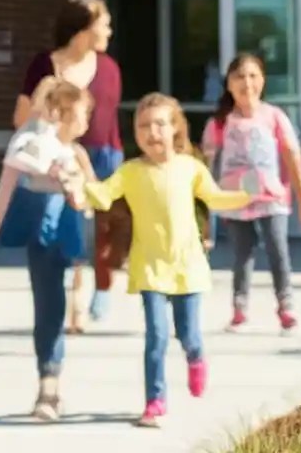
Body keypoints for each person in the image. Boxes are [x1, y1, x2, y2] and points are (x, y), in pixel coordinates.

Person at [75, 93, 251, 427]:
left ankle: (196, 358)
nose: (151, 132)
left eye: (159, 124)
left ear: (175, 129)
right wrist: (80, 183)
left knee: (188, 335)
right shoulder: (130, 172)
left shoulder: (191, 168)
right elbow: (103, 195)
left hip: (188, 267)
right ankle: (155, 401)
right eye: (143, 125)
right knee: (155, 335)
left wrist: (247, 193)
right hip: (150, 267)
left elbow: (215, 199)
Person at [0, 80, 94, 422]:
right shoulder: (30, 145)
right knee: (49, 305)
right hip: (42, 234)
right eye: (82, 112)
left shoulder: (78, 155)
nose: (86, 120)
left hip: (70, 232)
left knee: (58, 303)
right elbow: (8, 183)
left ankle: (52, 377)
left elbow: (93, 198)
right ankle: (49, 384)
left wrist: (77, 192)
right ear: (61, 114)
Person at [13, 0, 123, 333]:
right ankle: (70, 306)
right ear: (82, 29)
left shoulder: (109, 68)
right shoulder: (43, 66)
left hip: (103, 155)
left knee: (101, 234)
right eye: (103, 24)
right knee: (63, 234)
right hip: (57, 160)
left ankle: (97, 291)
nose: (109, 30)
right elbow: (21, 117)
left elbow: (109, 117)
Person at [201, 54, 301, 334]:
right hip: (236, 199)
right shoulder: (219, 123)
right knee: (242, 253)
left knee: (278, 250)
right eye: (239, 77)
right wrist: (203, 212)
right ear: (228, 84)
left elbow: (293, 159)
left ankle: (286, 305)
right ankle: (240, 307)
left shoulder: (275, 117)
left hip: (272, 198)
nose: (247, 83)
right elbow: (204, 168)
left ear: (263, 80)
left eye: (253, 76)